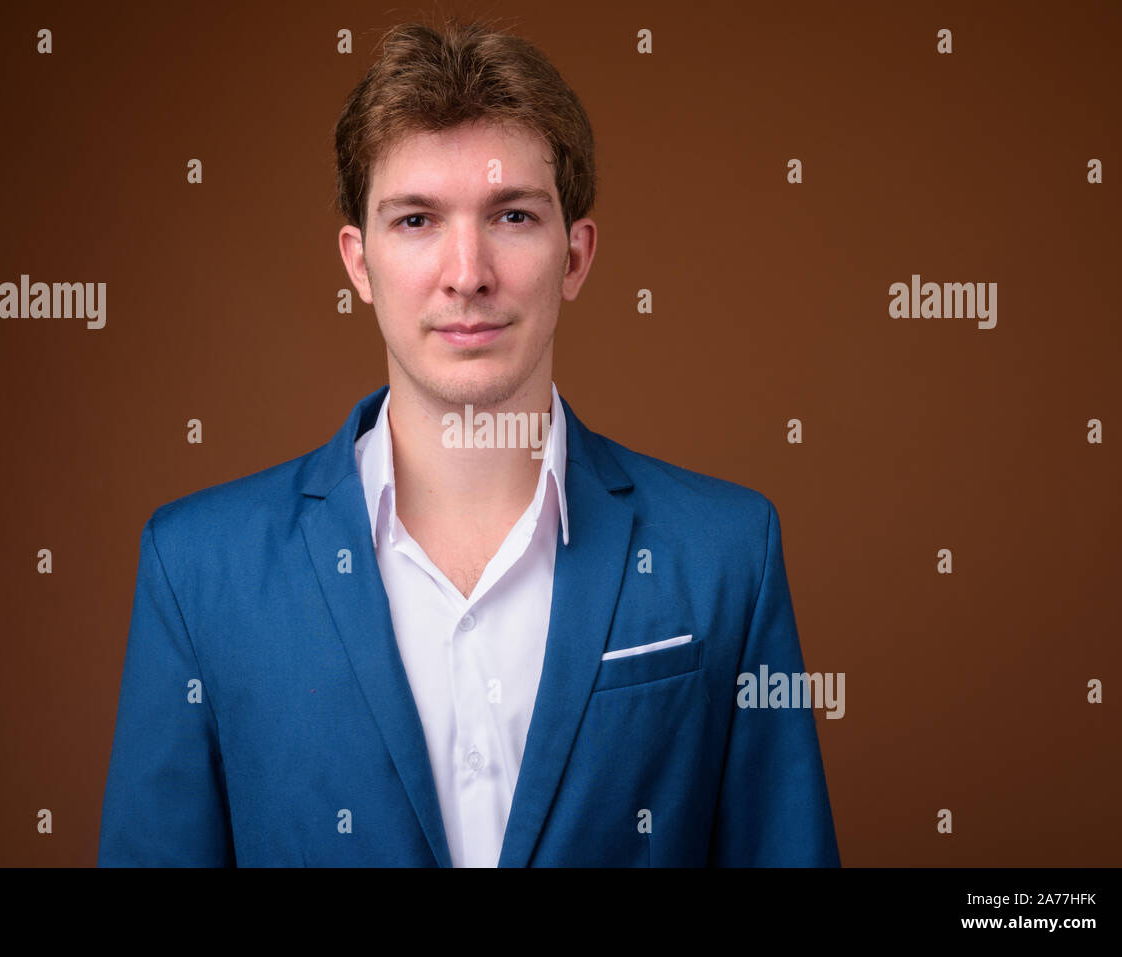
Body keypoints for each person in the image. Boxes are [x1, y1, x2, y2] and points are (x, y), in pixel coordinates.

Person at [98, 17, 840, 867]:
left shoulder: (725, 554)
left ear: (576, 254)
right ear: (359, 261)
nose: (467, 273)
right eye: (416, 220)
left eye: (513, 216)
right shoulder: (197, 570)